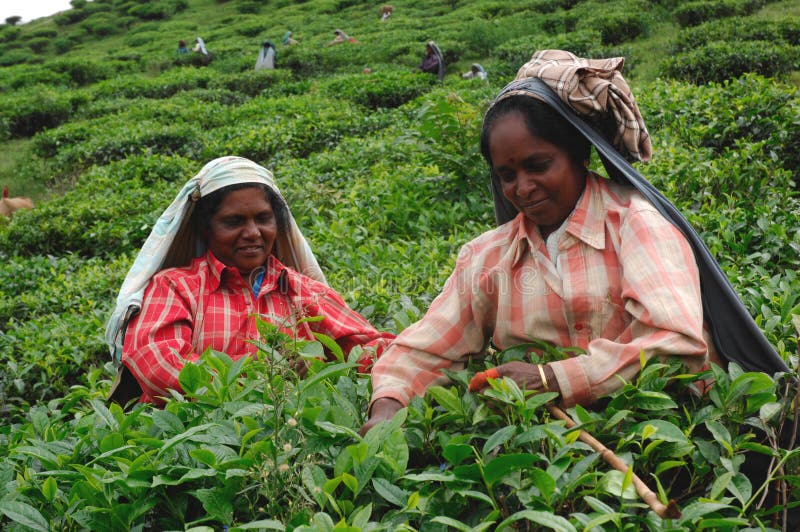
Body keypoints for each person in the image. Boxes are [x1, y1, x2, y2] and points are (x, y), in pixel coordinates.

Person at [362, 49, 719, 434]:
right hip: (549, 447)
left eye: (537, 166)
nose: (523, 188)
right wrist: (387, 410)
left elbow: (675, 345)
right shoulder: (489, 256)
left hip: (663, 434)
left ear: (578, 152)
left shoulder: (635, 224)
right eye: (507, 175)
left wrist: (552, 379)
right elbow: (424, 348)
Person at [106, 157, 394, 405]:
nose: (253, 233)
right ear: (206, 229)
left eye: (263, 219)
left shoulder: (302, 291)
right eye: (234, 222)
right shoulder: (175, 287)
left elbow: (367, 350)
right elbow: (158, 364)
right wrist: (260, 379)